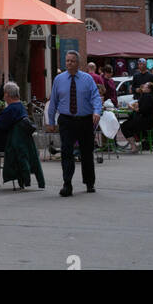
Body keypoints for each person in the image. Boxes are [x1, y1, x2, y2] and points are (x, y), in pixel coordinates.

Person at [46, 50, 102, 196]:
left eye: (72, 61)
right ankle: (67, 184)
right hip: (66, 120)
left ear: (78, 63)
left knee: (87, 152)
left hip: (84, 120)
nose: (69, 63)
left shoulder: (87, 79)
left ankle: (89, 182)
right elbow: (53, 101)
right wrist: (50, 121)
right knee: (66, 152)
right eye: (67, 61)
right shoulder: (59, 79)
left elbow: (96, 96)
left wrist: (97, 111)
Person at [117, 82, 153, 157]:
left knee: (124, 126)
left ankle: (134, 146)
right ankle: (138, 143)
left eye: (145, 87)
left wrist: (132, 108)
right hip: (147, 120)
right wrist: (135, 106)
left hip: (145, 121)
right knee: (128, 124)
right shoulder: (148, 96)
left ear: (148, 89)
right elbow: (140, 105)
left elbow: (142, 110)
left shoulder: (147, 97)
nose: (143, 87)